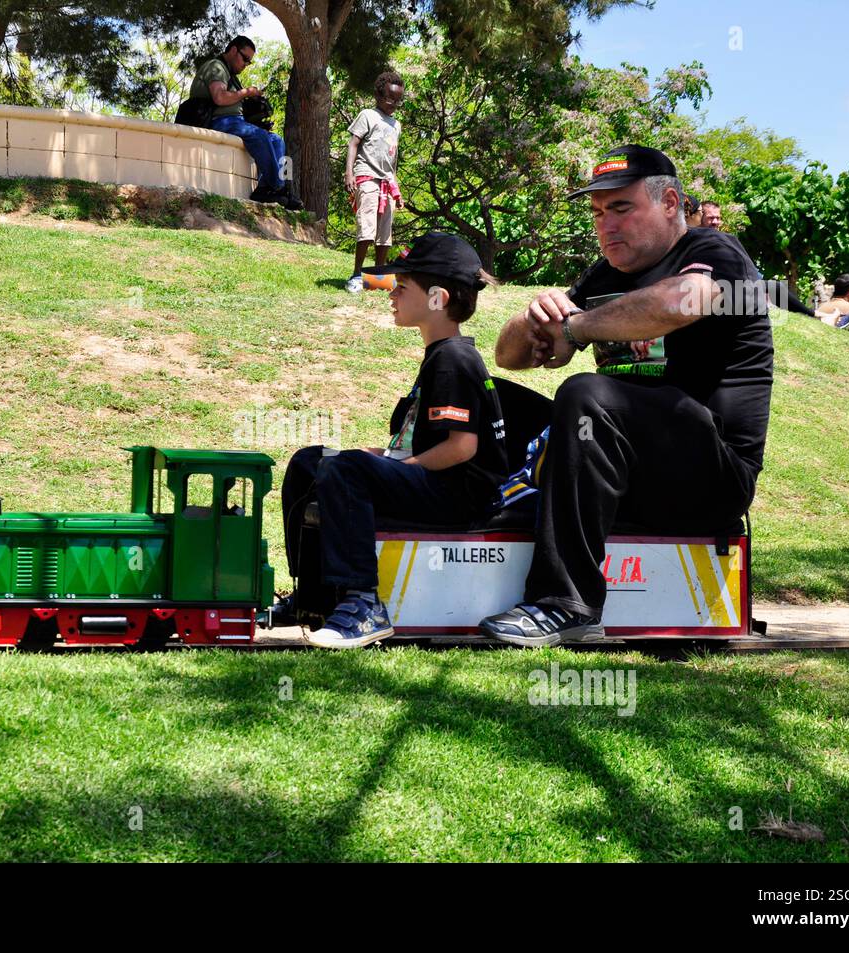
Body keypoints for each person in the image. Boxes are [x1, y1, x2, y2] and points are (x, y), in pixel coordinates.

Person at [479, 144, 773, 647]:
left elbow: (685, 301)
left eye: (621, 208)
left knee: (588, 394)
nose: (605, 225)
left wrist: (578, 328)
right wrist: (534, 318)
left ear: (670, 204)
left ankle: (566, 602)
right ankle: (461, 532)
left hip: (710, 476)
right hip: (626, 466)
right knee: (489, 398)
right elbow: (510, 356)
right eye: (597, 213)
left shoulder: (714, 253)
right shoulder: (603, 275)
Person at [277, 233, 509, 648]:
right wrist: (385, 456)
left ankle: (364, 604)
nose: (391, 295)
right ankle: (311, 598)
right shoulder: (440, 355)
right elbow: (424, 438)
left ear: (437, 298)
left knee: (347, 470)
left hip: (459, 496)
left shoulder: (453, 359)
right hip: (436, 480)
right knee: (309, 461)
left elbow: (462, 448)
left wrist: (394, 469)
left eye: (402, 287)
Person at [191, 37, 302, 210]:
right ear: (234, 50)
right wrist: (247, 92)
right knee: (259, 136)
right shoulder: (216, 67)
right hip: (217, 121)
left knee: (276, 140)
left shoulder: (231, 75)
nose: (246, 65)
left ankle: (265, 188)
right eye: (245, 59)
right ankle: (280, 188)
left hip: (235, 122)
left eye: (249, 62)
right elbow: (219, 97)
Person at [343, 71, 406, 294]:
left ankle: (378, 276)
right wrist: (349, 173)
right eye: (390, 98)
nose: (394, 104)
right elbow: (353, 144)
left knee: (384, 233)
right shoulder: (368, 115)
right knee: (367, 229)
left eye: (398, 100)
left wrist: (397, 189)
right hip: (367, 176)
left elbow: (392, 160)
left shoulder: (396, 124)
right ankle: (357, 275)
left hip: (387, 182)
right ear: (379, 95)